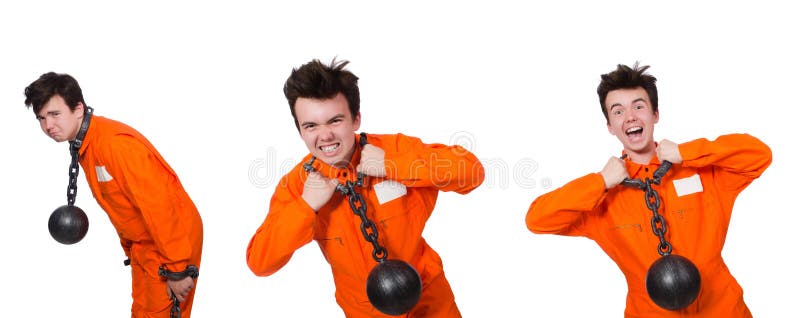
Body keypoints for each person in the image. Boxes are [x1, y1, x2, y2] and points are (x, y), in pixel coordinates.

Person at [525, 63, 771, 317]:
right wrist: (599, 181)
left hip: (723, 310)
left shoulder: (703, 173)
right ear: (610, 126)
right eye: (618, 111)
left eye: (639, 106)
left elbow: (759, 155)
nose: (630, 116)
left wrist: (685, 153)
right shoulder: (601, 200)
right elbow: (537, 219)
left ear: (655, 114)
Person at [246, 59, 485, 317]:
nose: (325, 136)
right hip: (365, 310)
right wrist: (306, 206)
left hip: (430, 299)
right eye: (311, 125)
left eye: (335, 120)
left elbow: (471, 172)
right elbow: (260, 262)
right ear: (300, 131)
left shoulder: (392, 151)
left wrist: (391, 165)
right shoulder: (299, 186)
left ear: (356, 119)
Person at [24, 72, 203, 318]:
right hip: (145, 244)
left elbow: (159, 205)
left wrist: (178, 269)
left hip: (171, 242)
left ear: (78, 109)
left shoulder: (114, 145)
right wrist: (130, 248)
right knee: (141, 313)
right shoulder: (86, 144)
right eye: (41, 118)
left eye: (55, 114)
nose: (48, 126)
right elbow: (121, 204)